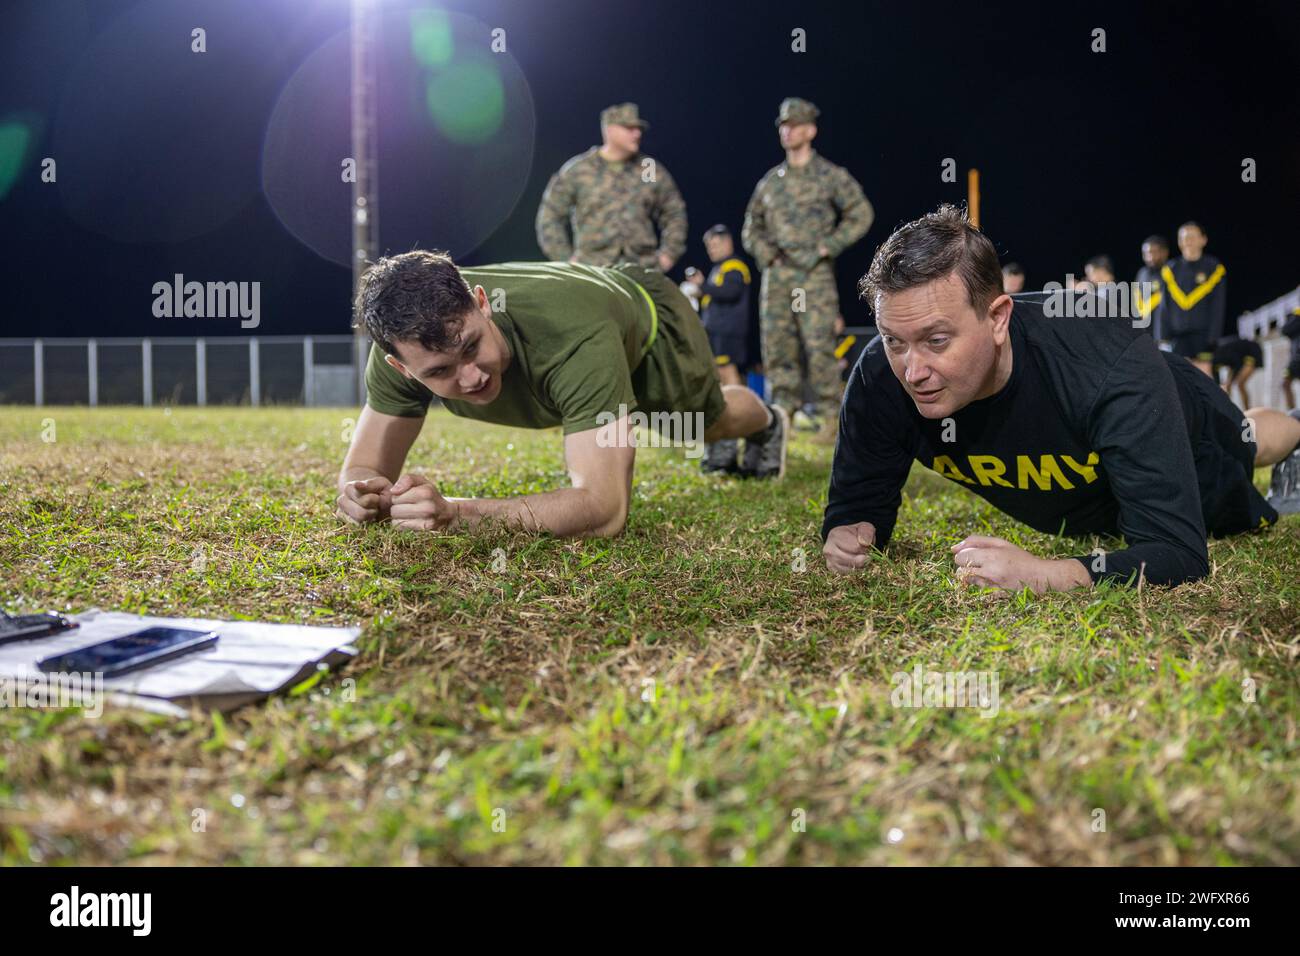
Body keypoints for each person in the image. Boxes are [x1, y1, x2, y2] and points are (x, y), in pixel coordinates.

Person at [822, 205, 1300, 591]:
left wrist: (1045, 573)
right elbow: (857, 504)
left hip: (1178, 422)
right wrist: (849, 532)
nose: (913, 370)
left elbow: (1179, 552)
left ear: (998, 319)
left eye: (937, 340)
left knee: (1249, 442)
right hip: (1089, 493)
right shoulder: (881, 376)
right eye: (894, 340)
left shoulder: (1106, 365)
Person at [336, 254, 789, 538]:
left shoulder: (575, 340)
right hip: (582, 300)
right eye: (440, 372)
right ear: (401, 365)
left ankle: (768, 421)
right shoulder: (399, 344)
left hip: (649, 327)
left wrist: (456, 515)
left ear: (481, 302)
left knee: (707, 427)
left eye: (472, 346)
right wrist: (358, 494)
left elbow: (604, 510)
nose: (471, 377)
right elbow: (363, 471)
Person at [742, 97, 874, 440]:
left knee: (819, 344)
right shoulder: (771, 182)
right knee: (777, 344)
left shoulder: (830, 176)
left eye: (796, 124)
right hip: (777, 274)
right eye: (784, 125)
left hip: (813, 275)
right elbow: (750, 227)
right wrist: (766, 255)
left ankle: (831, 416)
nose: (788, 130)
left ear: (811, 130)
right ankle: (784, 410)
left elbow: (861, 212)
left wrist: (827, 247)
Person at [535, 103, 687, 271]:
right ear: (609, 129)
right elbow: (550, 216)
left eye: (638, 128)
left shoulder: (647, 168)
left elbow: (674, 211)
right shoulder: (579, 170)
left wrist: (669, 255)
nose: (637, 133)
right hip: (594, 272)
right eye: (629, 128)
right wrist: (566, 260)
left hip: (642, 270)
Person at [697, 224, 756, 473]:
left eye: (716, 244)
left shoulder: (734, 266)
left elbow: (730, 293)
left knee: (730, 377)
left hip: (728, 334)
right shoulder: (718, 268)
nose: (712, 249)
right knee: (723, 378)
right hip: (717, 333)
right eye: (709, 246)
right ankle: (734, 420)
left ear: (728, 242)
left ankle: (744, 419)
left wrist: (702, 286)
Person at [1161, 222, 1226, 376]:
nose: (1187, 241)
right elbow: (1164, 307)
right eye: (1183, 238)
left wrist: (1213, 337)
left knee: (1204, 378)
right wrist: (1162, 336)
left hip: (1203, 335)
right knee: (1178, 378)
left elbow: (1218, 305)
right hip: (1178, 336)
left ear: (1203, 240)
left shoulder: (1214, 267)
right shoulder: (1170, 269)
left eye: (1191, 237)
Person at [1211, 335, 1264, 410]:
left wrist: (1230, 381)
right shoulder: (1213, 363)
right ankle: (1228, 410)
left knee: (1240, 384)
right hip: (1237, 358)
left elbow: (1238, 363)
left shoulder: (1220, 354)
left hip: (1251, 352)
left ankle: (1247, 410)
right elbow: (1217, 382)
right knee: (1227, 386)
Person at [1134, 235, 1169, 339]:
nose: (1149, 257)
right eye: (1146, 253)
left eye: (1153, 252)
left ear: (1164, 252)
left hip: (1165, 333)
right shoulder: (1142, 273)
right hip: (1145, 332)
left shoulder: (1171, 272)